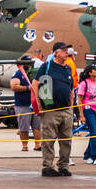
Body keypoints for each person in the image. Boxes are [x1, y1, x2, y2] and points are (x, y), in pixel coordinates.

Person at [34, 41, 75, 177]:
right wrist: (39, 105)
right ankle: (48, 167)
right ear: (56, 53)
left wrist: (71, 106)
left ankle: (63, 166)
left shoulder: (68, 68)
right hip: (50, 110)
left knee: (66, 141)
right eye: (64, 51)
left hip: (66, 110)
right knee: (48, 140)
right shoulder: (47, 66)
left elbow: (71, 89)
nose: (66, 53)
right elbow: (35, 85)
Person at [77, 66, 96, 164]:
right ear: (90, 72)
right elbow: (79, 100)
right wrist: (81, 115)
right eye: (95, 69)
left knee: (95, 133)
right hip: (88, 109)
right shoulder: (84, 83)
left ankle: (87, 154)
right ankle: (95, 156)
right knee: (94, 132)